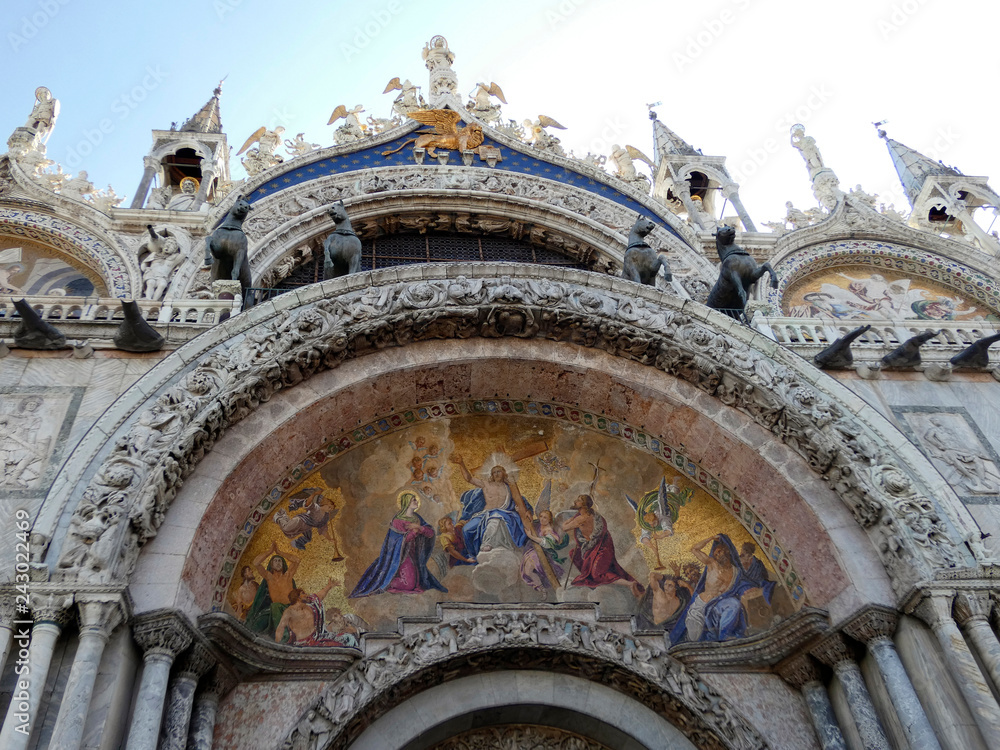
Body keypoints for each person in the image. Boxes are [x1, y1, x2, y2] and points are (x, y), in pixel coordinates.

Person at [669, 534, 766, 644]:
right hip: (701, 606)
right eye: (716, 554)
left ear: (727, 551)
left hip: (718, 604)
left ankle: (724, 638)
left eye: (719, 552)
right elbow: (694, 549)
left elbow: (741, 585)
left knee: (734, 604)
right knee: (694, 639)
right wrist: (710, 538)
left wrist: (748, 589)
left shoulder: (736, 572)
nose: (718, 555)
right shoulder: (713, 565)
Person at [349, 491, 447, 597]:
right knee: (409, 585)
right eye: (413, 500)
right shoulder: (397, 521)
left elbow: (430, 533)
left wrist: (419, 528)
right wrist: (414, 531)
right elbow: (398, 541)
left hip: (415, 555)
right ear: (407, 503)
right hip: (401, 556)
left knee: (419, 583)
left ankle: (389, 580)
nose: (416, 501)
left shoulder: (417, 518)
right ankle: (384, 582)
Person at [450, 455, 532, 558]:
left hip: (502, 514)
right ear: (491, 475)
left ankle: (487, 544)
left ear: (504, 473)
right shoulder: (486, 484)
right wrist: (461, 463)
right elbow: (469, 478)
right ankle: (473, 555)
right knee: (466, 530)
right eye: (494, 472)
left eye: (499, 471)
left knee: (495, 519)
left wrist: (528, 511)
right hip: (485, 514)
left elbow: (521, 501)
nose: (496, 474)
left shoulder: (510, 488)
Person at [562, 495, 643, 597]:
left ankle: (629, 584)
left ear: (584, 505)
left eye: (578, 500)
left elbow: (564, 528)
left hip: (600, 549)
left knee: (598, 575)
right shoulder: (594, 515)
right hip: (600, 546)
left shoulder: (580, 519)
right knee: (574, 554)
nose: (575, 501)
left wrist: (570, 519)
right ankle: (626, 583)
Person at [275, 577, 358, 646]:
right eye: (303, 593)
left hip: (317, 638)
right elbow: (280, 628)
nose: (307, 595)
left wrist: (329, 586)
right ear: (298, 597)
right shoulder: (289, 611)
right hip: (302, 643)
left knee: (348, 638)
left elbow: (319, 596)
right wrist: (277, 645)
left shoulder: (311, 605)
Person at [246, 542, 300, 637]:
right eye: (275, 561)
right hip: (273, 609)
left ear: (283, 564)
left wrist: (280, 552)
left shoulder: (288, 575)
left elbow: (297, 560)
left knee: (275, 606)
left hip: (288, 607)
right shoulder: (269, 577)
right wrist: (270, 551)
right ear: (271, 564)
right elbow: (256, 563)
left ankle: (284, 636)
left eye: (280, 561)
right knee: (256, 625)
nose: (278, 563)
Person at [520, 510, 569, 591]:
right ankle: (539, 586)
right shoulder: (538, 524)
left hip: (542, 553)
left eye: (545, 518)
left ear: (549, 519)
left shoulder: (549, 530)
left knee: (530, 569)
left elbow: (546, 543)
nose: (542, 519)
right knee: (527, 572)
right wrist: (522, 511)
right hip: (531, 549)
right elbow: (527, 521)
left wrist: (531, 536)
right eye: (541, 516)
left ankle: (541, 588)